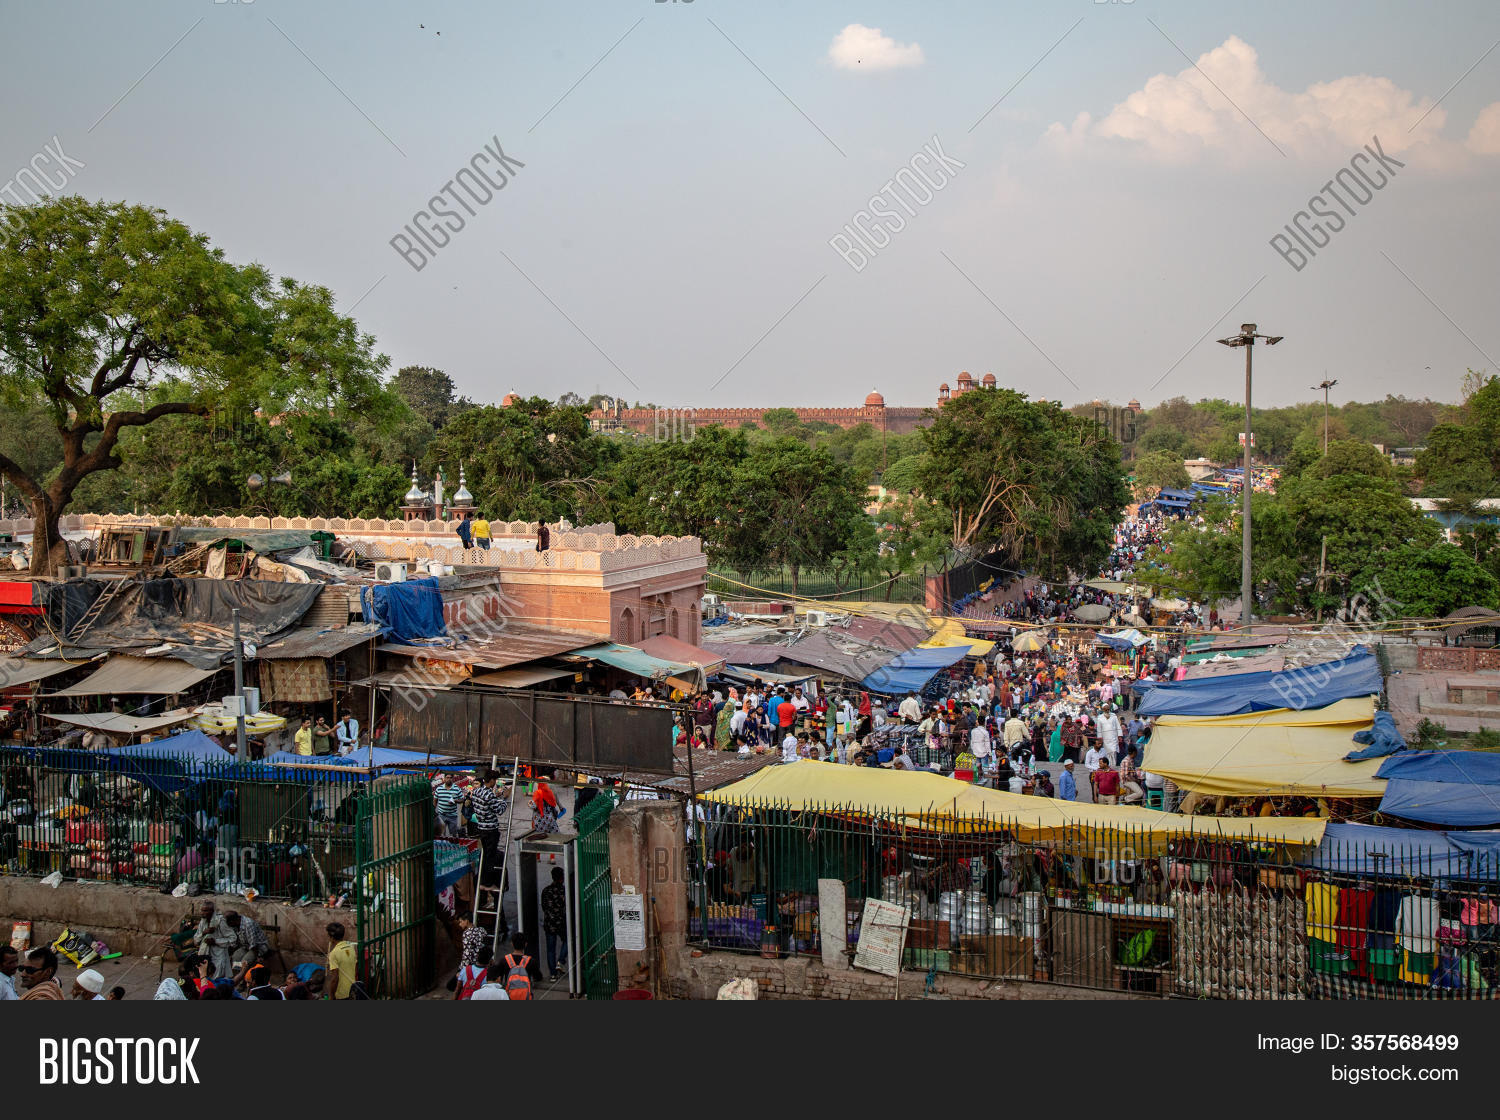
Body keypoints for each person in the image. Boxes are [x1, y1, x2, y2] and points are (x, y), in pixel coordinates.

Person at [470, 769, 505, 870]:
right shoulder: (489, 795)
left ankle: (484, 876)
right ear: (492, 780)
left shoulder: (476, 791)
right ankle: (488, 878)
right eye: (495, 780)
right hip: (490, 830)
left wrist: (495, 799)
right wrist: (503, 801)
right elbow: (500, 810)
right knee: (490, 856)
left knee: (485, 853)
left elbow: (485, 804)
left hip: (481, 828)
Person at [193, 899, 234, 979]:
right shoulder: (203, 921)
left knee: (217, 977)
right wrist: (204, 933)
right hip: (205, 953)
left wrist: (215, 941)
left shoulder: (220, 921)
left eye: (205, 911)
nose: (202, 913)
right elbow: (196, 940)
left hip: (219, 954)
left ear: (211, 911)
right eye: (202, 910)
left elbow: (233, 939)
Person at [541, 866, 568, 981]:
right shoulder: (564, 891)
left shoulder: (546, 890)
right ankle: (561, 961)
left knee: (550, 949)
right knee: (568, 941)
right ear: (562, 878)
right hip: (561, 922)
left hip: (549, 923)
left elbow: (544, 907)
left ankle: (553, 974)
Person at [224, 911, 270, 978]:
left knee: (245, 962)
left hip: (258, 948)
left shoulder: (248, 924)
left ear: (232, 921)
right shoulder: (235, 925)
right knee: (235, 957)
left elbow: (253, 945)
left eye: (227, 923)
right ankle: (237, 978)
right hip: (246, 946)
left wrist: (258, 956)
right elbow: (235, 943)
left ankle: (245, 980)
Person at [324, 922, 357, 1000]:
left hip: (341, 994)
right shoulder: (351, 948)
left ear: (331, 937)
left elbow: (335, 978)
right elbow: (355, 969)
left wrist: (331, 995)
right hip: (352, 990)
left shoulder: (333, 953)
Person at [501, 934, 534, 1000]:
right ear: (525, 944)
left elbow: (499, 978)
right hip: (526, 996)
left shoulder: (504, 960)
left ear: (512, 944)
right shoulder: (530, 961)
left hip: (509, 995)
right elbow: (538, 977)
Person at [434, 771, 464, 837]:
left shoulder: (457, 788)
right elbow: (435, 800)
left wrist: (456, 801)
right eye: (447, 777)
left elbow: (462, 799)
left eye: (450, 778)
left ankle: (453, 843)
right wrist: (434, 810)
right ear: (444, 778)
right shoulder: (439, 789)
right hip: (441, 815)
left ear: (452, 779)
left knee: (453, 834)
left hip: (452, 816)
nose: (449, 779)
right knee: (442, 834)